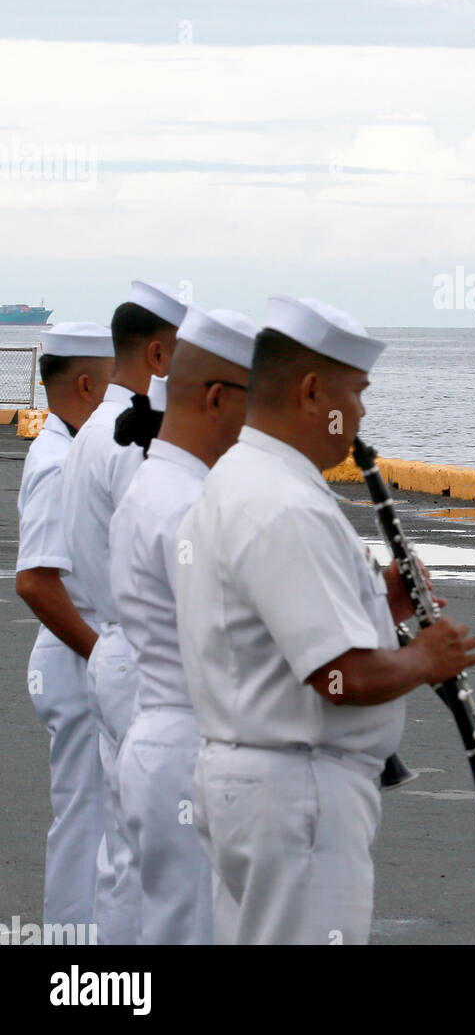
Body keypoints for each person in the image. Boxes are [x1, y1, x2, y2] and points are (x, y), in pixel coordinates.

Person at [175, 296, 475, 945]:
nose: (361, 413)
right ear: (313, 390)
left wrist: (381, 606)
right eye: (357, 393)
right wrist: (425, 659)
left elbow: (272, 633)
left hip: (252, 781)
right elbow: (336, 677)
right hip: (297, 792)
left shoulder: (241, 478)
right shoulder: (286, 503)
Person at [112, 306, 257, 945]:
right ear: (218, 398)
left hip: (161, 738)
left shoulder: (156, 485)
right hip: (195, 749)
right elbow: (240, 650)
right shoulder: (189, 504)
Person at [61, 280, 187, 944]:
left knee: (125, 851)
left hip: (115, 651)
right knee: (163, 861)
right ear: (160, 354)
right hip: (147, 659)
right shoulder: (133, 442)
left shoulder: (91, 433)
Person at [16, 322, 115, 932]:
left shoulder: (74, 451)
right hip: (80, 659)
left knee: (102, 821)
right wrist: (104, 656)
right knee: (85, 823)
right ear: (85, 384)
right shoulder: (58, 462)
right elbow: (36, 581)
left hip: (85, 653)